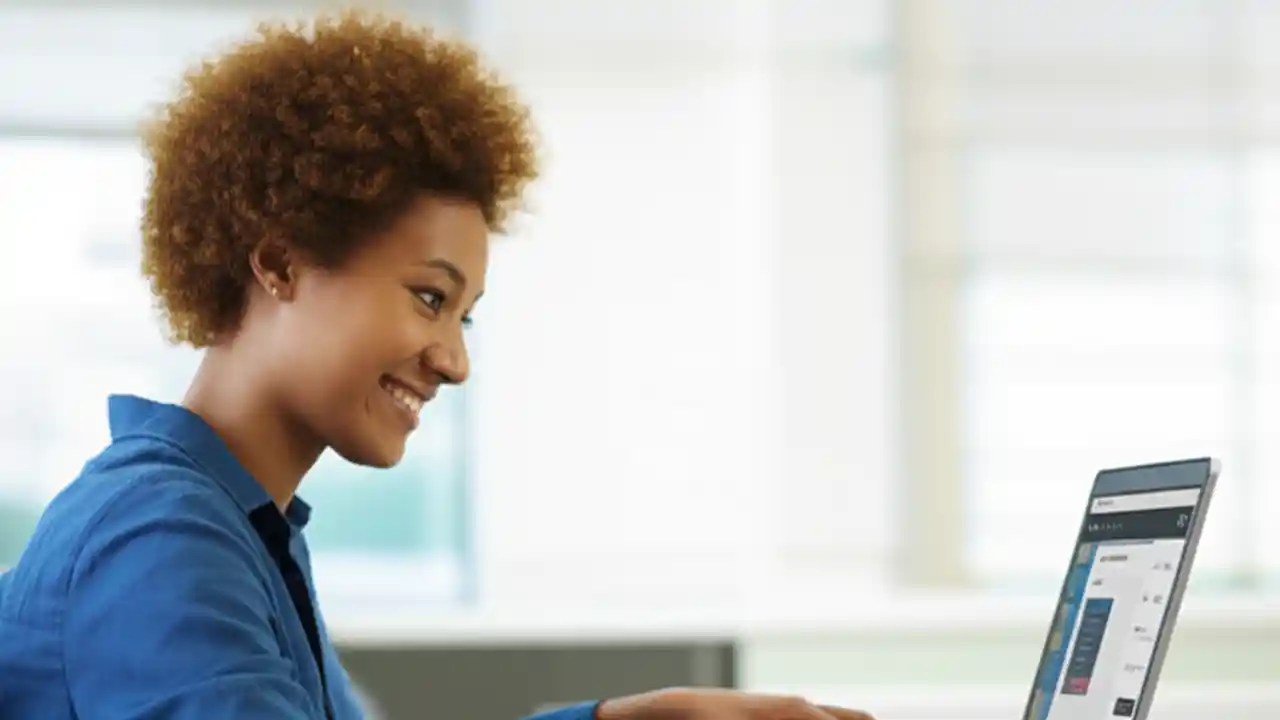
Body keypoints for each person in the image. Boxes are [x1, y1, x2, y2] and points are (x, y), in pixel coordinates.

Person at [0, 11, 873, 720]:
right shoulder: (160, 540)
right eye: (429, 297)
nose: (455, 361)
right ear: (279, 264)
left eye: (466, 316)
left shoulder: (239, 530)